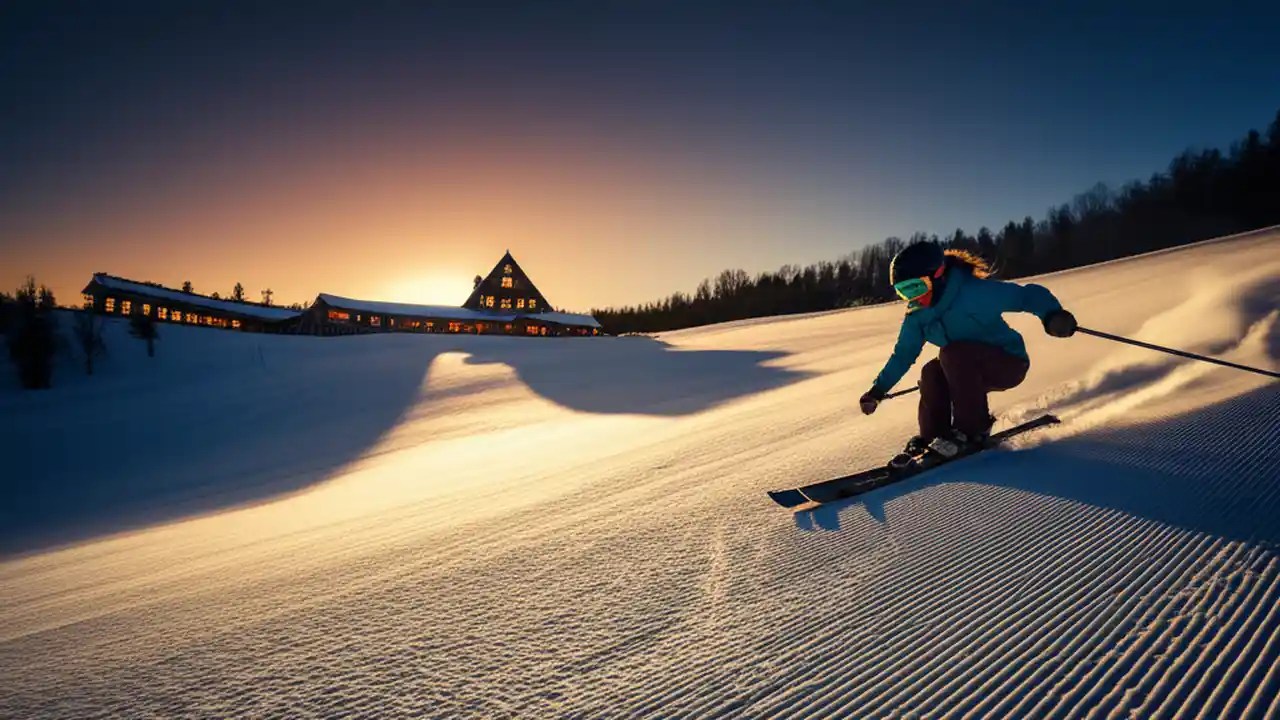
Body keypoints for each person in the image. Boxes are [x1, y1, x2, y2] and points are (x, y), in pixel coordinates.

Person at [859, 241, 1077, 460]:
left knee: (953, 353)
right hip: (963, 369)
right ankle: (932, 437)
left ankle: (971, 430)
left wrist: (1053, 315)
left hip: (1008, 362)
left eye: (917, 287)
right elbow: (903, 355)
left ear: (939, 274)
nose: (915, 297)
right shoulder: (917, 315)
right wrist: (877, 390)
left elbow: (1026, 296)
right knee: (931, 372)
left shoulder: (973, 292)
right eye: (904, 292)